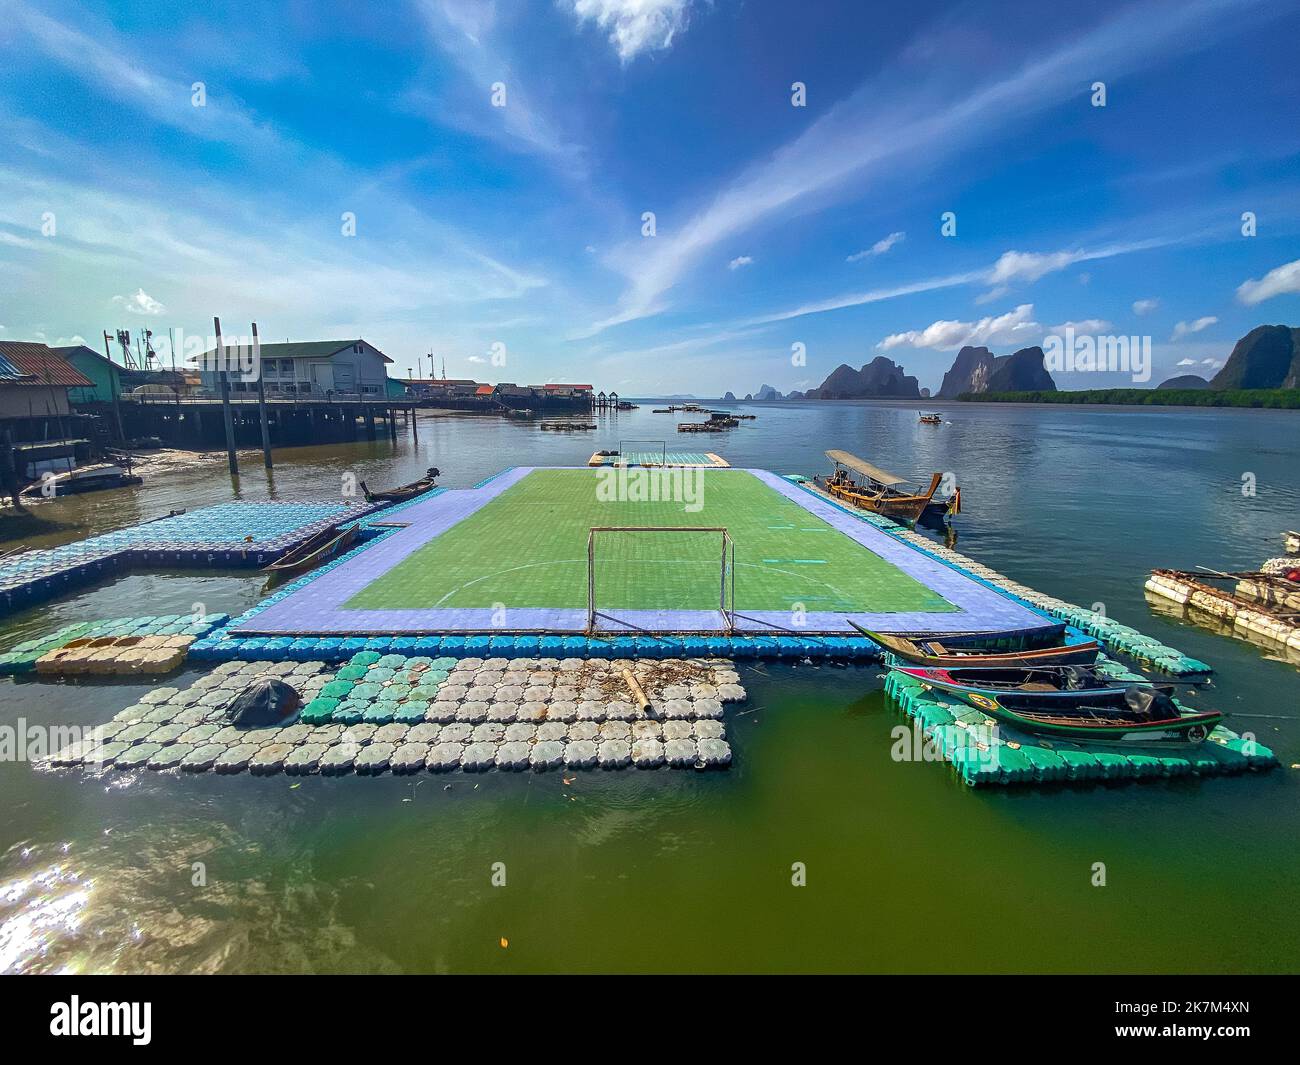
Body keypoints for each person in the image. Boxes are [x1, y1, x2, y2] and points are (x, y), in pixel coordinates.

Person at [0, 429, 28, 513]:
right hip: (8, 469)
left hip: (8, 469)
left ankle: (16, 503)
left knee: (11, 480)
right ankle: (16, 503)